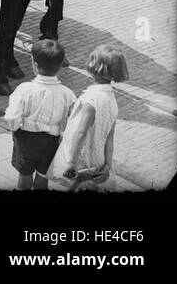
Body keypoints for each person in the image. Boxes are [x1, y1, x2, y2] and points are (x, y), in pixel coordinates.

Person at [47, 44, 127, 191]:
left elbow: (81, 132)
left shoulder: (91, 99)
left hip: (80, 159)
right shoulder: (112, 100)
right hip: (98, 159)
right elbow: (110, 136)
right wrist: (108, 164)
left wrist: (71, 162)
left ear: (94, 67)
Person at [3, 39, 75, 191]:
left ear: (35, 65)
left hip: (25, 139)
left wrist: (15, 128)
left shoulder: (24, 89)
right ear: (61, 66)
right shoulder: (67, 94)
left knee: (25, 174)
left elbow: (11, 117)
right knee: (43, 175)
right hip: (51, 141)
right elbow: (72, 119)